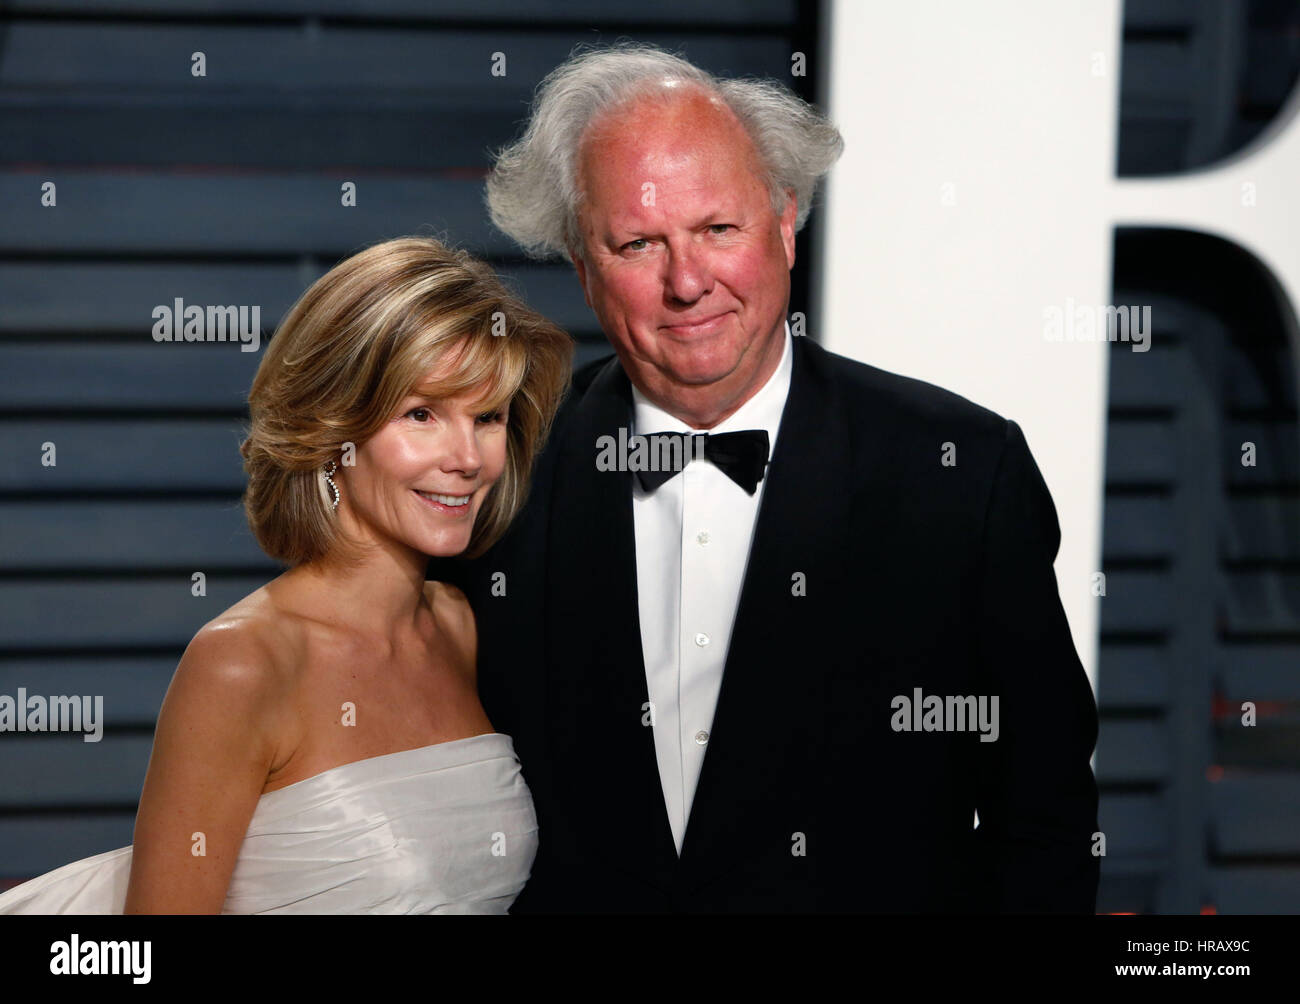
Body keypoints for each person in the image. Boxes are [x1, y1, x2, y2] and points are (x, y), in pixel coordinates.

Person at [430, 43, 1102, 913]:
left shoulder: (961, 472)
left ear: (785, 220)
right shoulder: (499, 471)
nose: (688, 282)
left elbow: (1043, 823)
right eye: (638, 243)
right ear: (583, 266)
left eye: (718, 229)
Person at [0, 236, 573, 914]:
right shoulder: (242, 663)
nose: (467, 457)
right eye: (421, 414)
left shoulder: (461, 624)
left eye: (487, 418)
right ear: (335, 430)